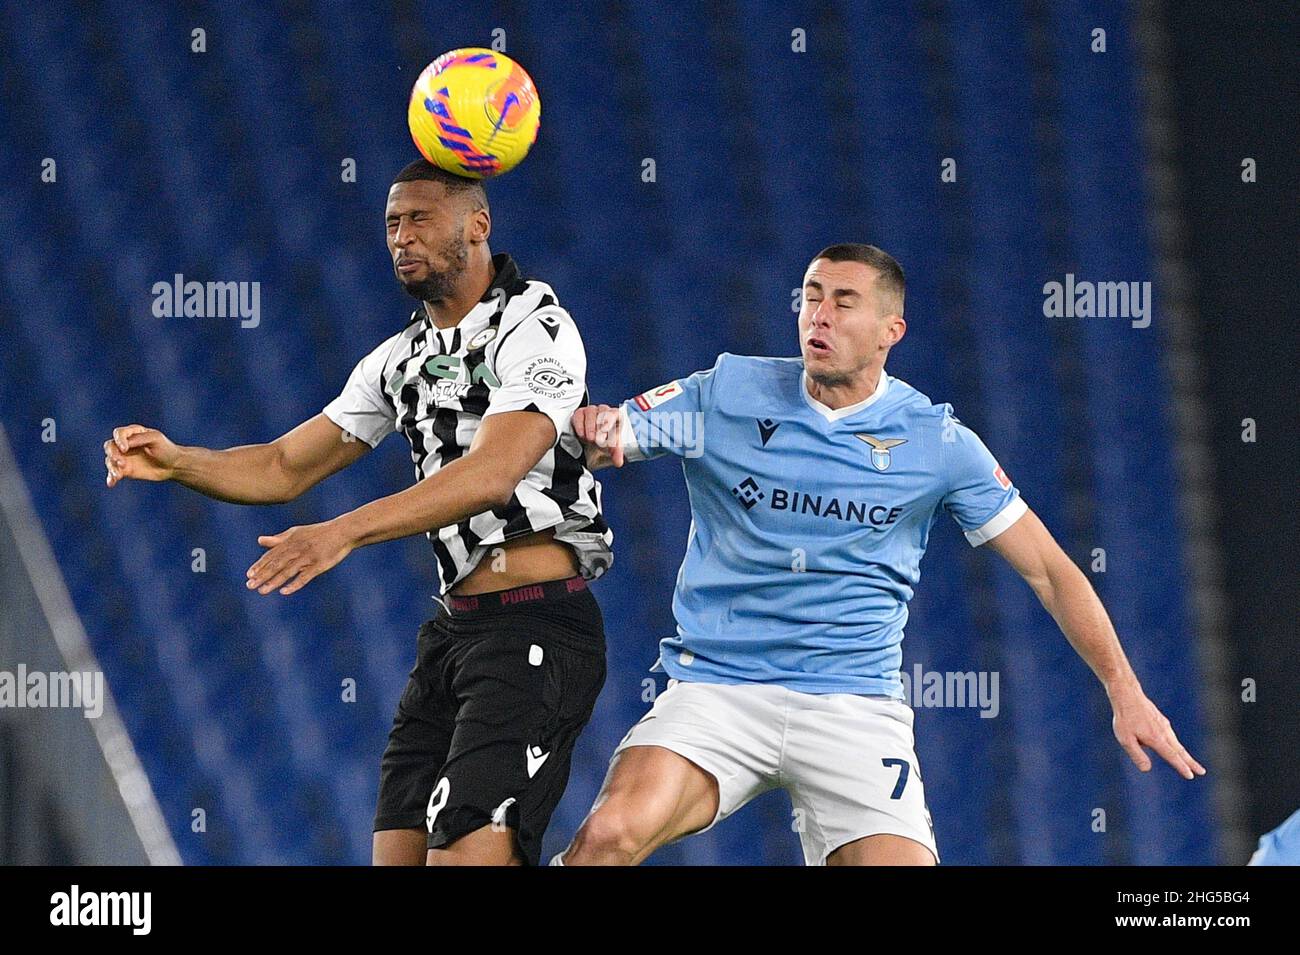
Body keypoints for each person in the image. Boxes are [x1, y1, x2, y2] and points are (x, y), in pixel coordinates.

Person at [555, 243, 1204, 866]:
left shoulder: (937, 441)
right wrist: (595, 428)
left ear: (890, 328)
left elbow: (1052, 572)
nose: (821, 314)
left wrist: (1125, 689)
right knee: (606, 837)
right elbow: (606, 434)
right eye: (812, 296)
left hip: (854, 707)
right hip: (721, 690)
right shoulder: (727, 390)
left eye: (844, 300)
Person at [104, 159, 612, 866]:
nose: (401, 237)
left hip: (537, 626)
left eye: (420, 219)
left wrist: (341, 530)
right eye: (392, 223)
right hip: (454, 634)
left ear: (478, 225)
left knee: (462, 860)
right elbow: (285, 465)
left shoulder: (538, 328)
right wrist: (181, 460)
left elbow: (495, 473)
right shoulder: (398, 359)